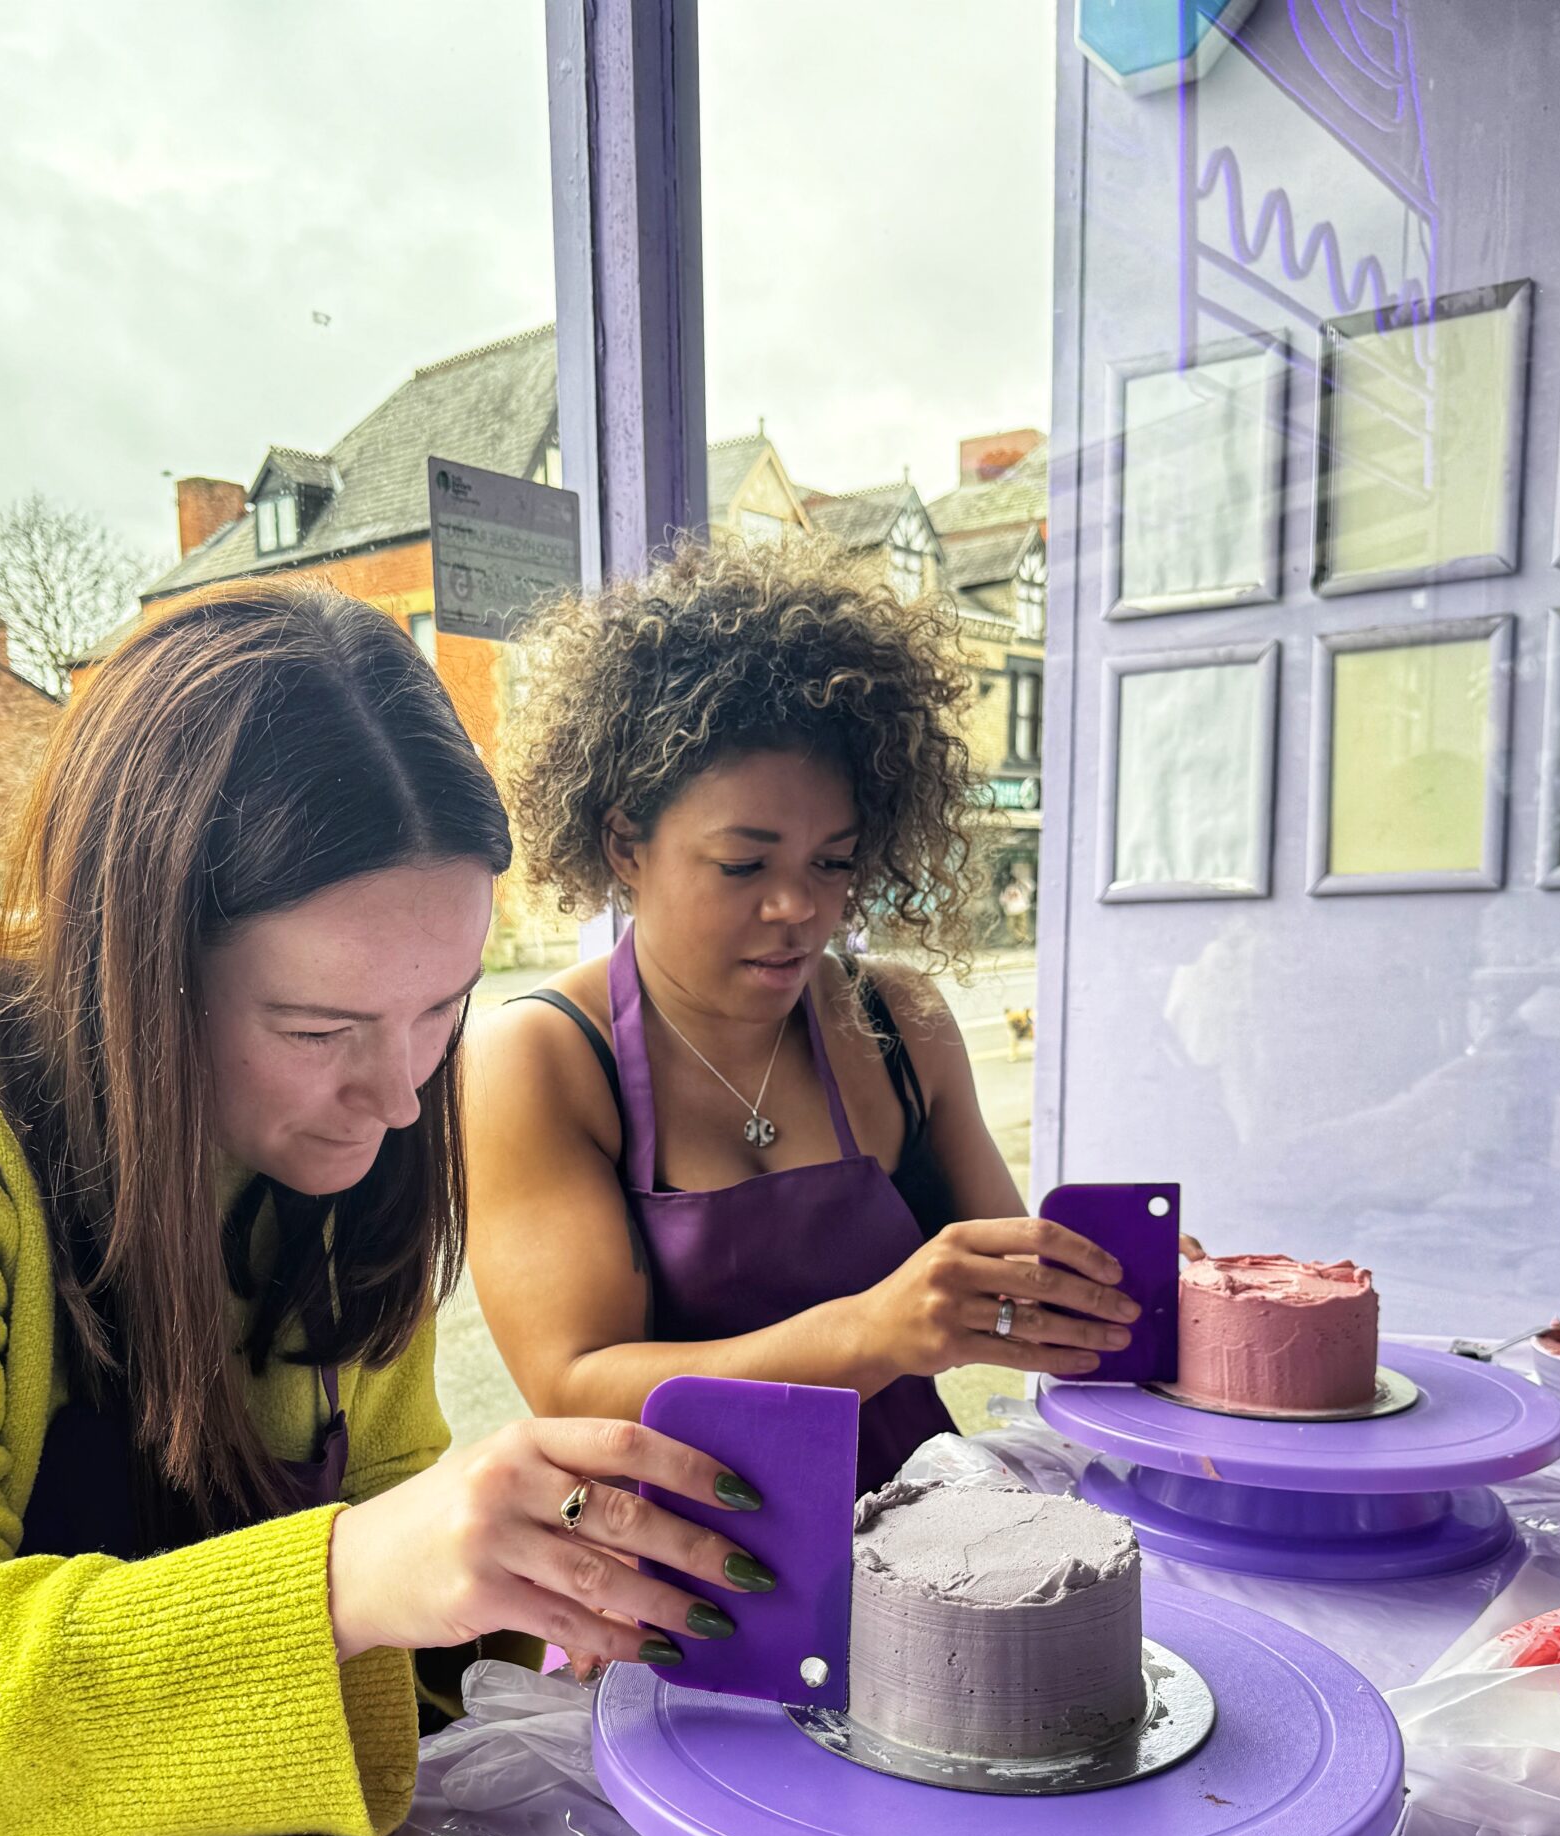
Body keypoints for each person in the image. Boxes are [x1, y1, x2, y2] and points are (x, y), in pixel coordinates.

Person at [0, 582, 762, 1836]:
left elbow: (401, 1541)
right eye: (317, 1028)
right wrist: (362, 1574)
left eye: (442, 1008)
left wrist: (554, 1573)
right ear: (131, 961)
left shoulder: (357, 1150)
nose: (401, 1094)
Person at [466, 540, 1138, 1494]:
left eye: (833, 863)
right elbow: (574, 1388)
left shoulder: (898, 1020)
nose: (800, 910)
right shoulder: (540, 1058)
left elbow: (1005, 1306)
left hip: (930, 1537)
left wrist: (1117, 1292)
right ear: (625, 843)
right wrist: (870, 1333)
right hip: (688, 1574)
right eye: (744, 865)